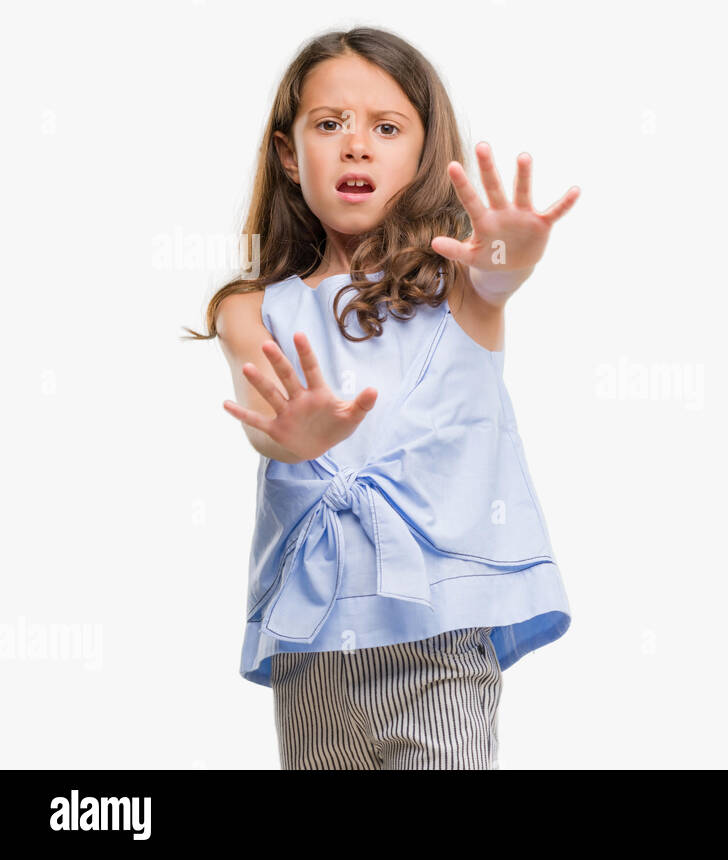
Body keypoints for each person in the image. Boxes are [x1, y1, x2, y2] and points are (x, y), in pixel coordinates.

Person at [181, 26, 578, 769]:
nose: (356, 145)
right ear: (290, 154)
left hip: (438, 645)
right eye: (330, 124)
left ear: (425, 155)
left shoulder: (457, 290)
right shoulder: (252, 306)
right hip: (315, 652)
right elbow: (260, 410)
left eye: (386, 128)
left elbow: (497, 274)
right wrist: (287, 436)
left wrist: (509, 250)